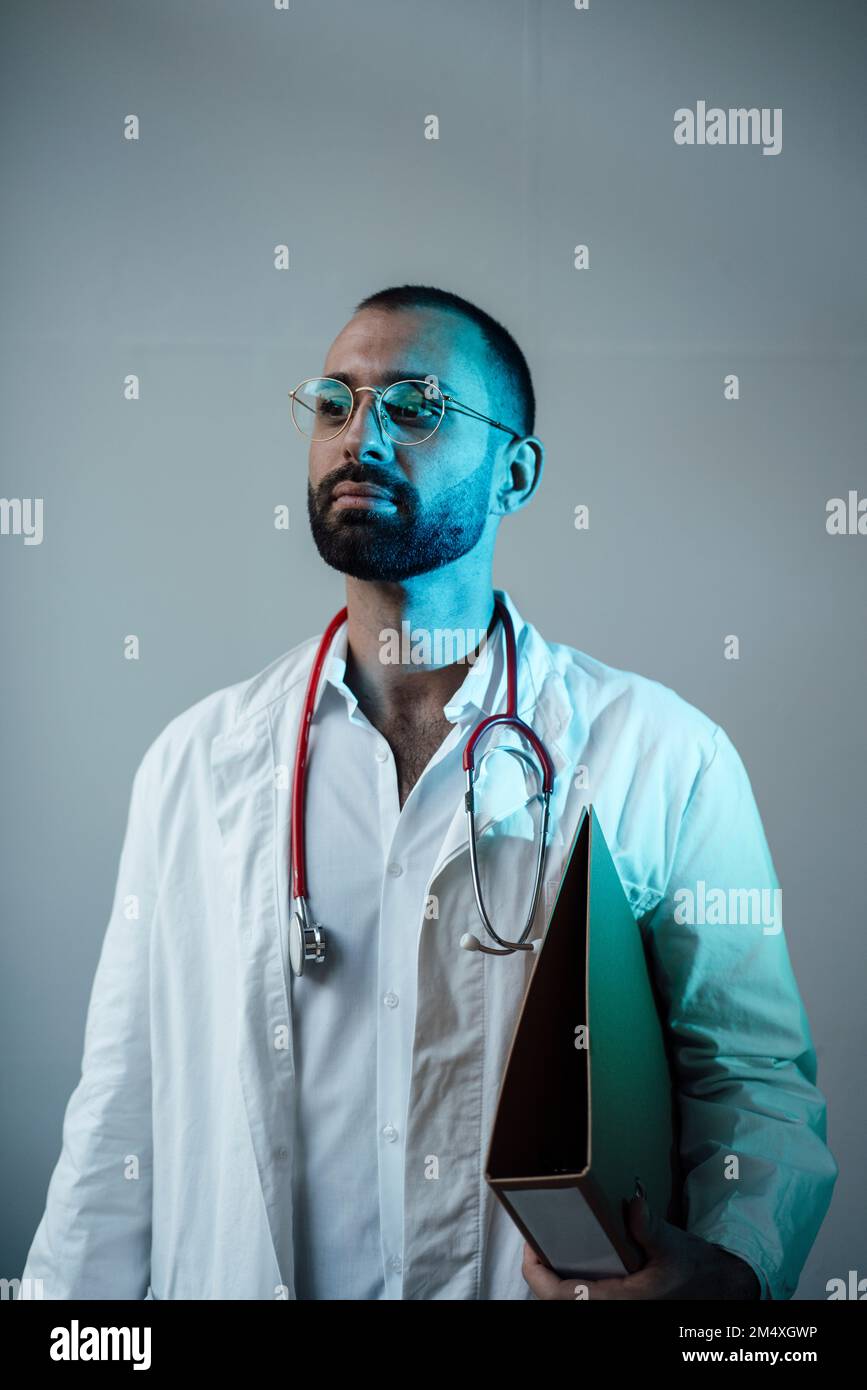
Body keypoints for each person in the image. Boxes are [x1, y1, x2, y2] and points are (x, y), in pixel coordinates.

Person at [21, 284, 837, 1301]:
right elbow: (118, 1120)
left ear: (517, 472)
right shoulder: (195, 764)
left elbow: (752, 1090)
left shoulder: (662, 754)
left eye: (415, 407)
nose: (360, 435)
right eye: (334, 403)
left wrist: (730, 1276)